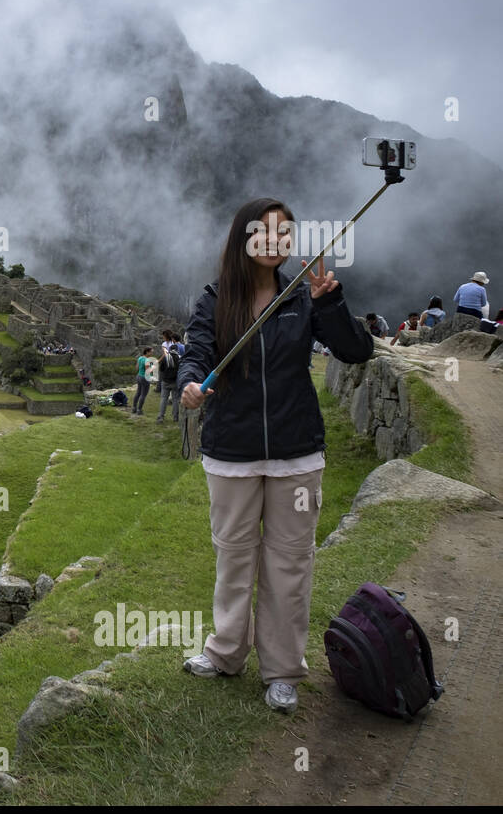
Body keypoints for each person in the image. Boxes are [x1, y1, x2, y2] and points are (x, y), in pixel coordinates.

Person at [177, 197, 374, 715]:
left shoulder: (304, 297)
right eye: (265, 232)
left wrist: (330, 302)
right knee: (234, 557)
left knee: (290, 563)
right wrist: (190, 382)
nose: (276, 240)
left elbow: (356, 351)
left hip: (296, 455)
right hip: (231, 454)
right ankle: (225, 654)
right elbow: (196, 351)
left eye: (285, 233)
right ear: (243, 238)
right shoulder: (215, 299)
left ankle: (283, 670)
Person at [156, 342, 180, 421]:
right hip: (175, 381)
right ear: (177, 350)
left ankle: (161, 417)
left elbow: (161, 369)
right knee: (175, 399)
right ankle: (175, 417)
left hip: (165, 381)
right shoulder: (179, 357)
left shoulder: (166, 357)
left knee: (163, 399)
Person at [131, 346, 153, 414]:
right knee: (143, 394)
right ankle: (139, 410)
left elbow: (136, 368)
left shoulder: (140, 358)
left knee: (138, 393)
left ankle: (134, 408)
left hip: (139, 376)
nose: (152, 353)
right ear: (147, 352)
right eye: (151, 352)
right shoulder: (147, 360)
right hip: (145, 378)